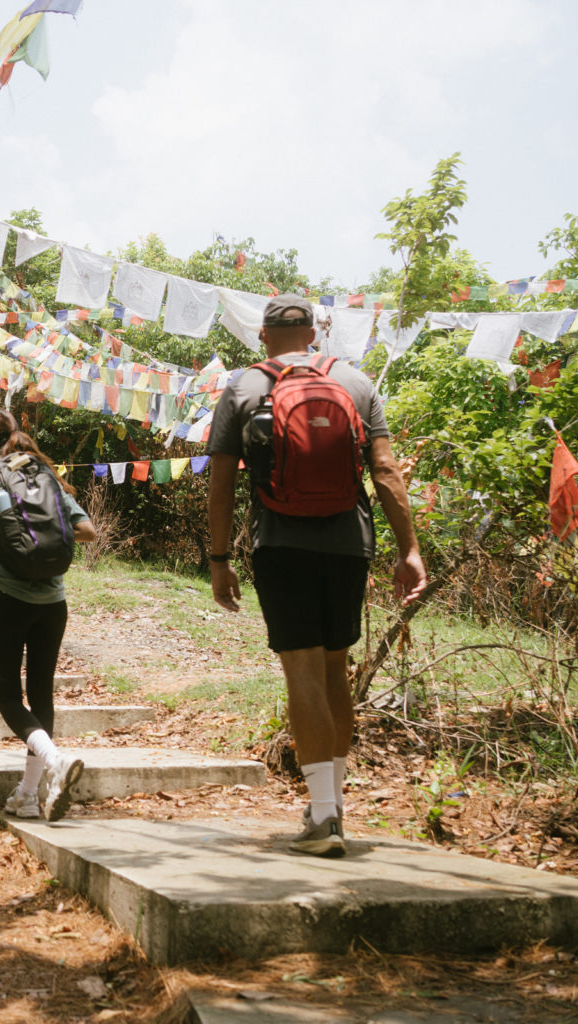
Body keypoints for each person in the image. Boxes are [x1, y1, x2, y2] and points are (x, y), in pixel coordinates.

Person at [207, 294, 426, 858]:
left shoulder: (242, 387)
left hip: (281, 543)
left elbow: (222, 481)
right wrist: (410, 550)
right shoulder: (355, 382)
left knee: (300, 668)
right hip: (350, 543)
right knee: (334, 667)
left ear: (262, 337)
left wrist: (219, 558)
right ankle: (332, 806)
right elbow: (384, 469)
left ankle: (323, 818)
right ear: (316, 333)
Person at [0, 408, 97, 822]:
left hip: (9, 597)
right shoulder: (40, 470)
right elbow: (87, 529)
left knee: (7, 695)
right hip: (54, 603)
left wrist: (7, 529)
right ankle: (27, 793)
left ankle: (55, 763)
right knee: (41, 693)